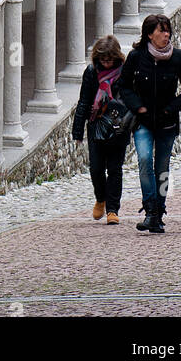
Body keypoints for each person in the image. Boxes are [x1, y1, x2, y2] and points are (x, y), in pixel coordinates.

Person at [119, 13, 181, 234]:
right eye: (161, 30)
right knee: (143, 160)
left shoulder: (178, 57)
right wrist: (137, 106)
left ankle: (159, 210)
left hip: (166, 122)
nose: (166, 34)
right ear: (150, 34)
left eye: (168, 30)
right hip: (143, 121)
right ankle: (150, 208)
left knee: (162, 168)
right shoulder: (136, 56)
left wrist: (172, 107)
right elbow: (124, 86)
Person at [72, 35, 130, 226]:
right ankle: (100, 198)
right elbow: (84, 101)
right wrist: (78, 131)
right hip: (96, 124)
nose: (106, 63)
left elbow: (129, 98)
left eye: (109, 59)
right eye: (102, 59)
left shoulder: (124, 72)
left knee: (115, 169)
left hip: (118, 126)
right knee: (96, 168)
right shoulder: (91, 72)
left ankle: (113, 209)